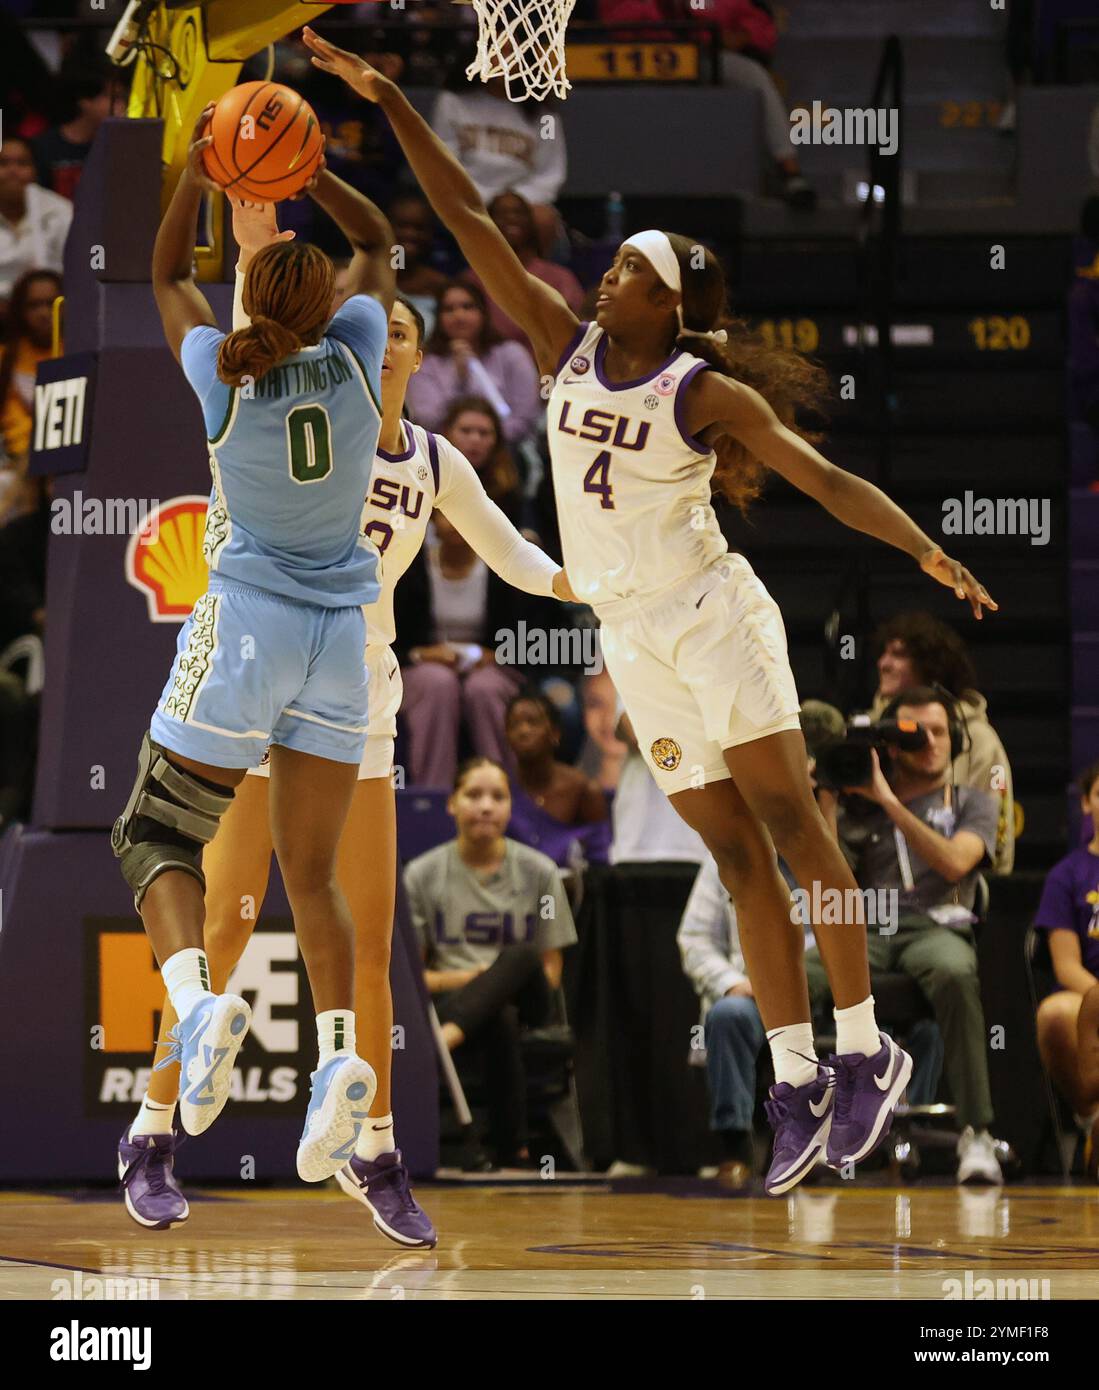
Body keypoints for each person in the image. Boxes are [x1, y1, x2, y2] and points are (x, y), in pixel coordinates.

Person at [305, 26, 997, 1196]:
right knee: (729, 856)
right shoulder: (559, 347)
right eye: (611, 266)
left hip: (712, 615)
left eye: (626, 270)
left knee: (791, 825)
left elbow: (824, 481)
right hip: (628, 633)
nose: (603, 276)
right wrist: (388, 100)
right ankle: (796, 1079)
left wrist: (926, 546)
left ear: (665, 303)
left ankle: (865, 1046)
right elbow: (470, 216)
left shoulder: (699, 388)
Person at [123, 198, 573, 1233]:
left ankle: (374, 1151)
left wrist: (585, 580)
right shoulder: (301, 381)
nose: (392, 333)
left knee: (369, 940)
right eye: (385, 321)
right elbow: (266, 295)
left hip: (352, 690)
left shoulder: (431, 459)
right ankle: (153, 1130)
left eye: (406, 329)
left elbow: (511, 555)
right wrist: (257, 226)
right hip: (285, 664)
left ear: (408, 358)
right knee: (232, 919)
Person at [111, 111, 397, 1222]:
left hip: (246, 630)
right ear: (328, 307)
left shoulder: (223, 382)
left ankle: (193, 1004)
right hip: (341, 645)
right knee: (311, 878)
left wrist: (195, 171)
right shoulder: (365, 353)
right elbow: (378, 246)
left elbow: (157, 272)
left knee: (152, 832)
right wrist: (314, 174)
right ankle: (336, 1063)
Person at [805, 686, 1003, 1184]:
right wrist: (827, 795)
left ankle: (976, 1134)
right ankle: (806, 1128)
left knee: (957, 973)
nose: (932, 742)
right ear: (893, 743)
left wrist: (888, 800)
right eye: (919, 733)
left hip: (935, 925)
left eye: (941, 731)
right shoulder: (857, 803)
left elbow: (957, 862)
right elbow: (830, 878)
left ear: (956, 737)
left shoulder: (972, 800)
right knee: (799, 973)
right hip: (869, 927)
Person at [405, 756, 578, 1168]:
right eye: (473, 795)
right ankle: (512, 1149)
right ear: (451, 804)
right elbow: (416, 980)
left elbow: (551, 970)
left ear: (510, 808)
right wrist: (478, 981)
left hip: (531, 1000)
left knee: (520, 956)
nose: (486, 806)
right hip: (456, 998)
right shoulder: (421, 875)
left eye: (498, 797)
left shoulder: (541, 873)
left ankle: (442, 1042)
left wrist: (503, 977)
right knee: (497, 1013)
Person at [596, 0, 817, 208]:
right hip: (634, 61)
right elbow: (616, 18)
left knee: (753, 75)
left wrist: (743, 34)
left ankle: (789, 173)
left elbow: (753, 21)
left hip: (700, 56)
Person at [867, 610, 1015, 874]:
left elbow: (997, 839)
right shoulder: (870, 731)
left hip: (955, 886)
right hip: (880, 883)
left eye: (898, 655)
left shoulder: (978, 740)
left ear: (929, 664)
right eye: (884, 653)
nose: (883, 664)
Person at [1034, 759, 1099, 1181]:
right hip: (1087, 995)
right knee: (1054, 1014)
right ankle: (1093, 1121)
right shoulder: (1067, 875)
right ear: (1089, 803)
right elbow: (1065, 964)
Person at [405, 278, 542, 445]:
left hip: (507, 449)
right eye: (449, 309)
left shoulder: (512, 354)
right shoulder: (424, 363)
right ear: (438, 318)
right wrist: (459, 380)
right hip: (444, 450)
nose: (459, 315)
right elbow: (427, 420)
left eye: (467, 307)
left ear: (483, 312)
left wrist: (485, 440)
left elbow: (525, 418)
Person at [505, 690, 611, 868]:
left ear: (555, 734)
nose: (523, 731)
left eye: (533, 722)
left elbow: (599, 862)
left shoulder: (584, 790)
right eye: (514, 725)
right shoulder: (500, 788)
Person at [463, 190, 584, 347]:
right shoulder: (473, 279)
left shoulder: (561, 278)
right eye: (501, 214)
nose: (511, 218)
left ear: (531, 223)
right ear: (489, 223)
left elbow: (578, 328)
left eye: (518, 213)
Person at [0, 137, 70, 313]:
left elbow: (74, 273)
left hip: (45, 313)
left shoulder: (60, 211)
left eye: (22, 163)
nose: (13, 171)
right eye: (3, 163)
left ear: (34, 170)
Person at [0, 269, 60, 467]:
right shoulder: (7, 357)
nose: (43, 313)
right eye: (34, 305)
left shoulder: (78, 351)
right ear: (20, 310)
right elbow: (13, 421)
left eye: (50, 303)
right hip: (22, 459)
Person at [32, 66, 116, 201]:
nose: (120, 104)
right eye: (108, 96)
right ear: (85, 102)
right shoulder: (44, 146)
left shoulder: (115, 146)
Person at [439, 395, 523, 524]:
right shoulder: (428, 475)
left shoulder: (508, 485)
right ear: (447, 433)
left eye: (484, 433)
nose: (475, 439)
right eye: (465, 431)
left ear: (497, 439)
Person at [388, 191, 448, 340]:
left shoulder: (440, 284)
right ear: (388, 227)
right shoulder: (372, 276)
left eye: (418, 228)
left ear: (430, 233)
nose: (410, 234)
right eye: (402, 226)